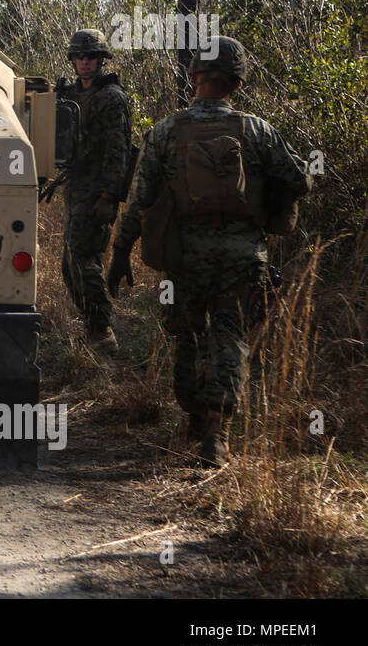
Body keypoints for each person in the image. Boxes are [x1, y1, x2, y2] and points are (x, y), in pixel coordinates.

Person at [106, 37, 311, 466]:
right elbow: (299, 179)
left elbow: (140, 200)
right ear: (236, 83)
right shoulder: (257, 130)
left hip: (184, 256)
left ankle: (195, 417)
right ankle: (215, 437)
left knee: (186, 332)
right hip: (243, 256)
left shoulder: (165, 131)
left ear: (195, 76)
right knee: (230, 336)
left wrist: (121, 252)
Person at [57, 29, 133, 352]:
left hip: (97, 192)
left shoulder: (111, 98)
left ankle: (102, 332)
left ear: (101, 60)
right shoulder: (72, 95)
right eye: (79, 56)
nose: (85, 62)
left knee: (85, 259)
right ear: (73, 60)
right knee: (68, 263)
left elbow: (120, 152)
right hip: (75, 188)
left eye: (91, 57)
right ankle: (92, 326)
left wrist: (110, 195)